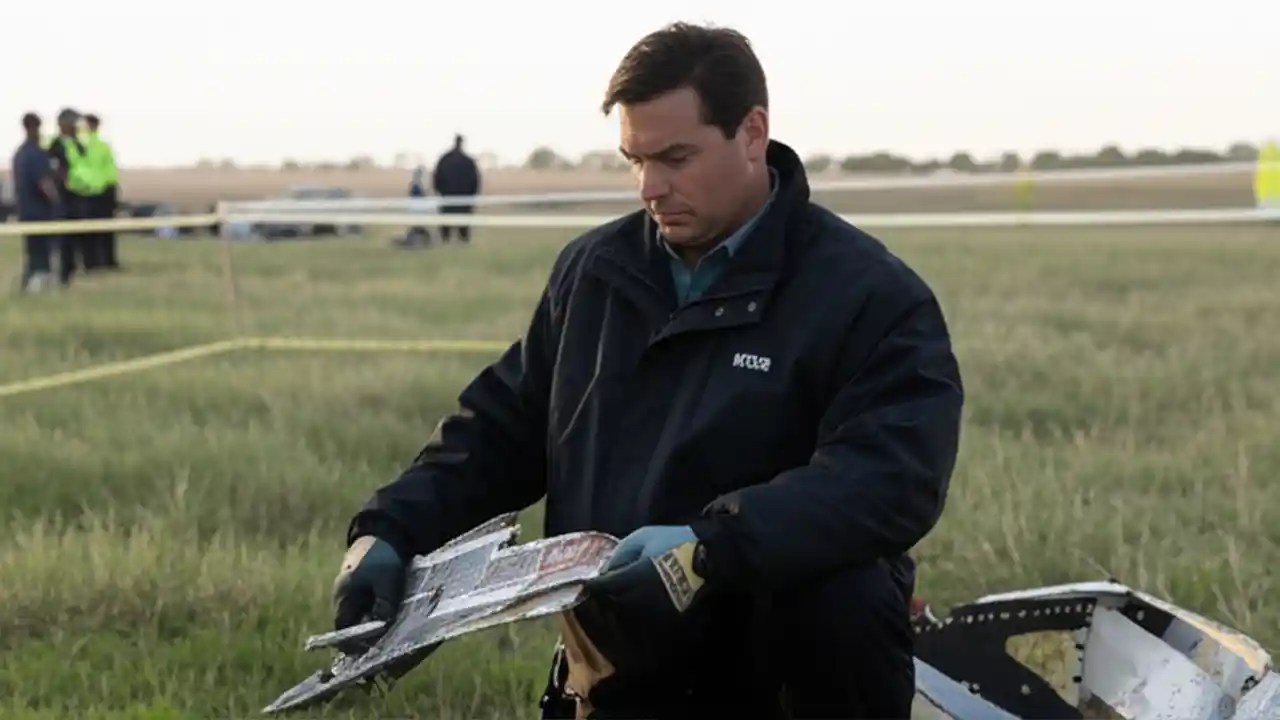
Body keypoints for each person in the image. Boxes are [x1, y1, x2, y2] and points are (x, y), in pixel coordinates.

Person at [331, 22, 963, 719]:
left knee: (846, 595)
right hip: (621, 673)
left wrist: (707, 548)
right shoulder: (595, 273)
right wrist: (388, 532)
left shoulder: (867, 294)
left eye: (676, 157)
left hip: (792, 680)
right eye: (635, 160)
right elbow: (504, 429)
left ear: (753, 133)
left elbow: (891, 477)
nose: (651, 187)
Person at [45, 108, 98, 284]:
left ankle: (74, 271)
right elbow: (55, 171)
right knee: (61, 241)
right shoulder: (54, 146)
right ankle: (60, 276)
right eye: (73, 123)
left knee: (77, 240)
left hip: (80, 199)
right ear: (63, 124)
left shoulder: (79, 145)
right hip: (63, 200)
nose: (76, 126)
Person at [11, 112, 61, 293]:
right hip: (41, 212)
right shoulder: (37, 154)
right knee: (43, 254)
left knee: (32, 252)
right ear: (35, 128)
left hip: (26, 211)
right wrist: (57, 201)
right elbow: (45, 183)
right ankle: (37, 287)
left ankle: (29, 284)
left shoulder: (19, 154)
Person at [82, 113, 122, 270]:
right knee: (106, 230)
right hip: (103, 191)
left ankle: (93, 262)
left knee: (91, 230)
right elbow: (110, 171)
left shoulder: (84, 145)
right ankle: (107, 260)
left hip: (90, 192)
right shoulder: (103, 146)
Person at [431, 134, 480, 243]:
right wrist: (471, 196)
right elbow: (475, 181)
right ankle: (463, 239)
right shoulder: (468, 161)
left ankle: (445, 238)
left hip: (447, 197)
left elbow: (436, 178)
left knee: (446, 220)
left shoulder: (444, 159)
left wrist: (440, 192)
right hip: (464, 198)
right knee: (463, 221)